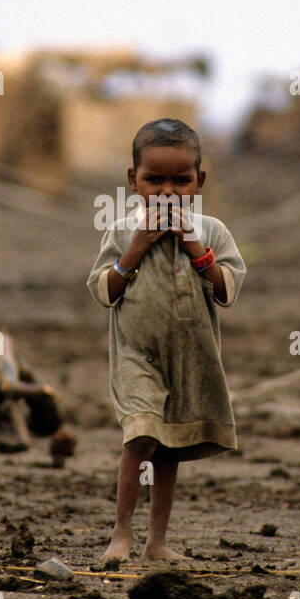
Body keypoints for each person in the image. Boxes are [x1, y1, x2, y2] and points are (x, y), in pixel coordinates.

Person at [87, 118, 246, 563]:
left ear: (200, 181)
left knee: (168, 446)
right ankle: (121, 533)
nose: (167, 192)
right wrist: (136, 248)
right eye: (154, 180)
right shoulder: (121, 231)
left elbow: (226, 290)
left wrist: (196, 249)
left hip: (190, 358)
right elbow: (104, 292)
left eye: (181, 180)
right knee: (140, 437)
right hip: (137, 356)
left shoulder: (212, 231)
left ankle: (157, 542)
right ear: (133, 180)